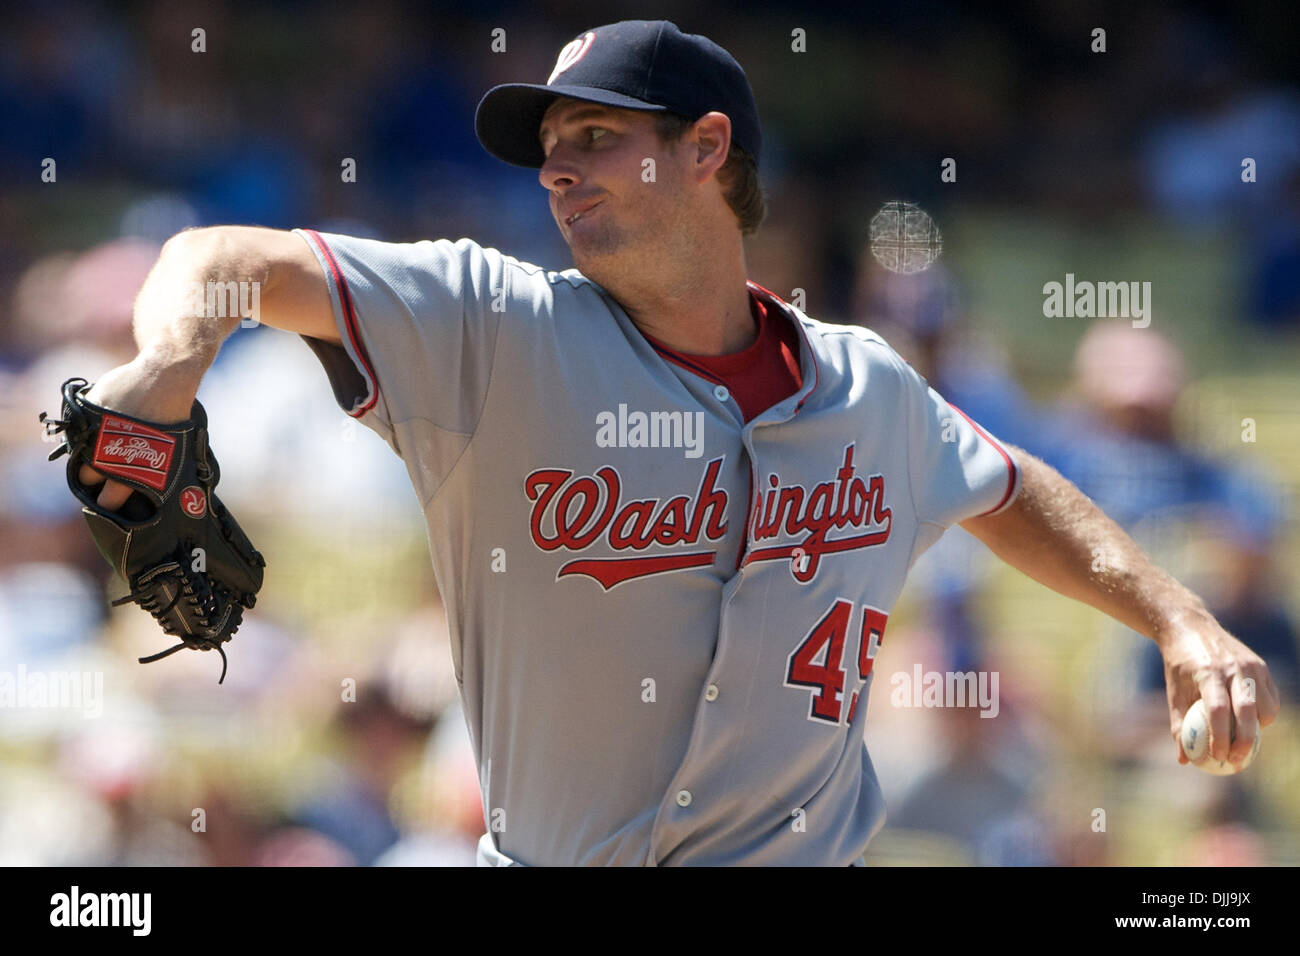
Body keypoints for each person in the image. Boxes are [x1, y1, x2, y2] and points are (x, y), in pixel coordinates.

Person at [68, 20, 1280, 866]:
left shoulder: (866, 387)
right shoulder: (491, 326)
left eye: (596, 136)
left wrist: (1176, 615)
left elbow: (1010, 487)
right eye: (550, 147)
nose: (556, 166)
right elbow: (216, 259)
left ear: (706, 149)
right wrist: (168, 365)